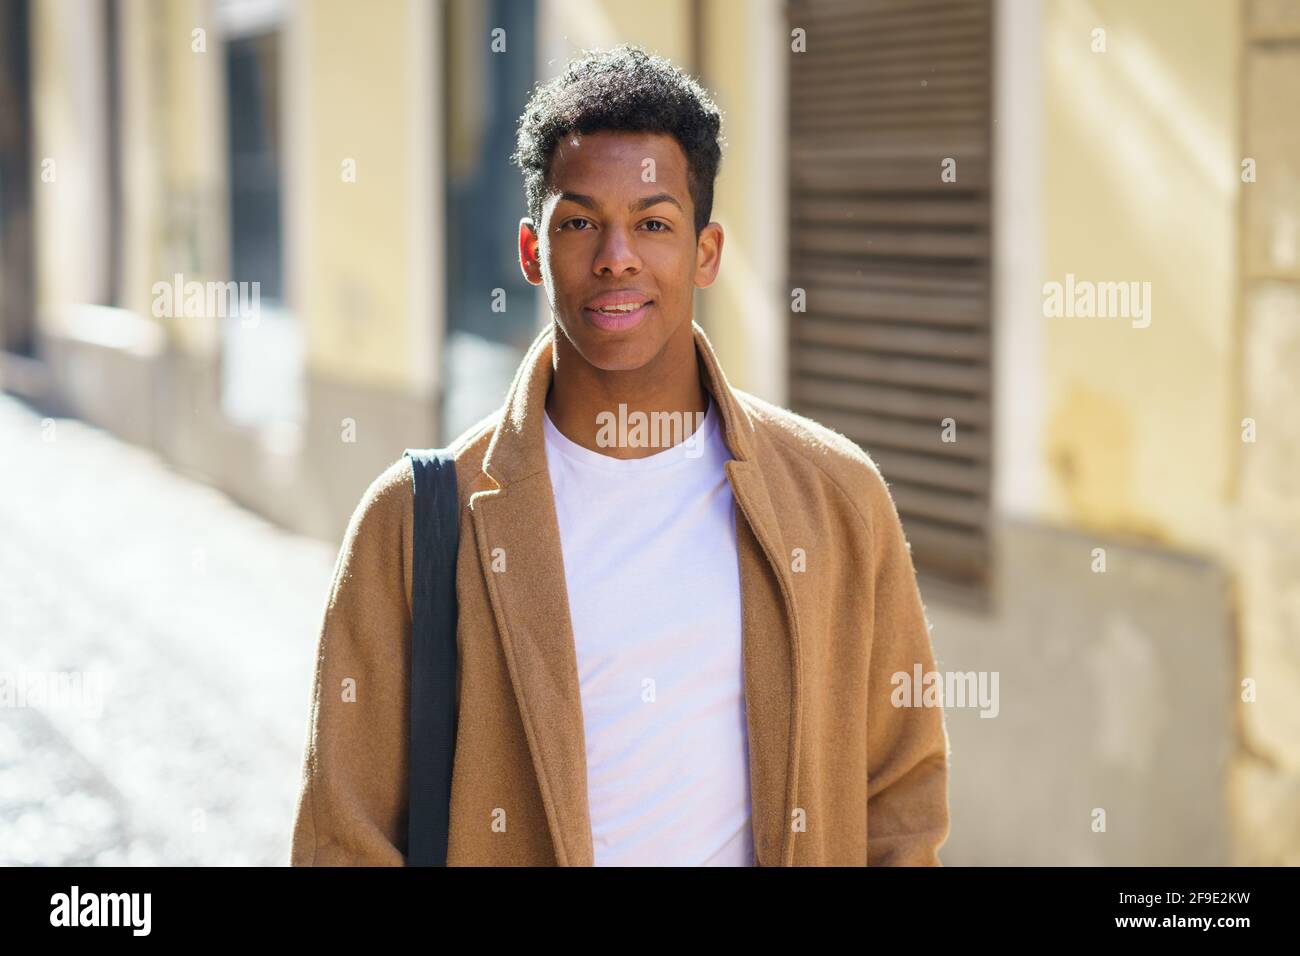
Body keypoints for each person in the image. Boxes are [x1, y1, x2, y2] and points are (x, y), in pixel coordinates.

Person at [290, 44, 949, 867]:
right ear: (533, 251)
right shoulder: (415, 522)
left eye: (654, 222)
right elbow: (342, 837)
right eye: (579, 223)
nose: (617, 257)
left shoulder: (838, 500)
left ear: (705, 253)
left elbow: (900, 799)